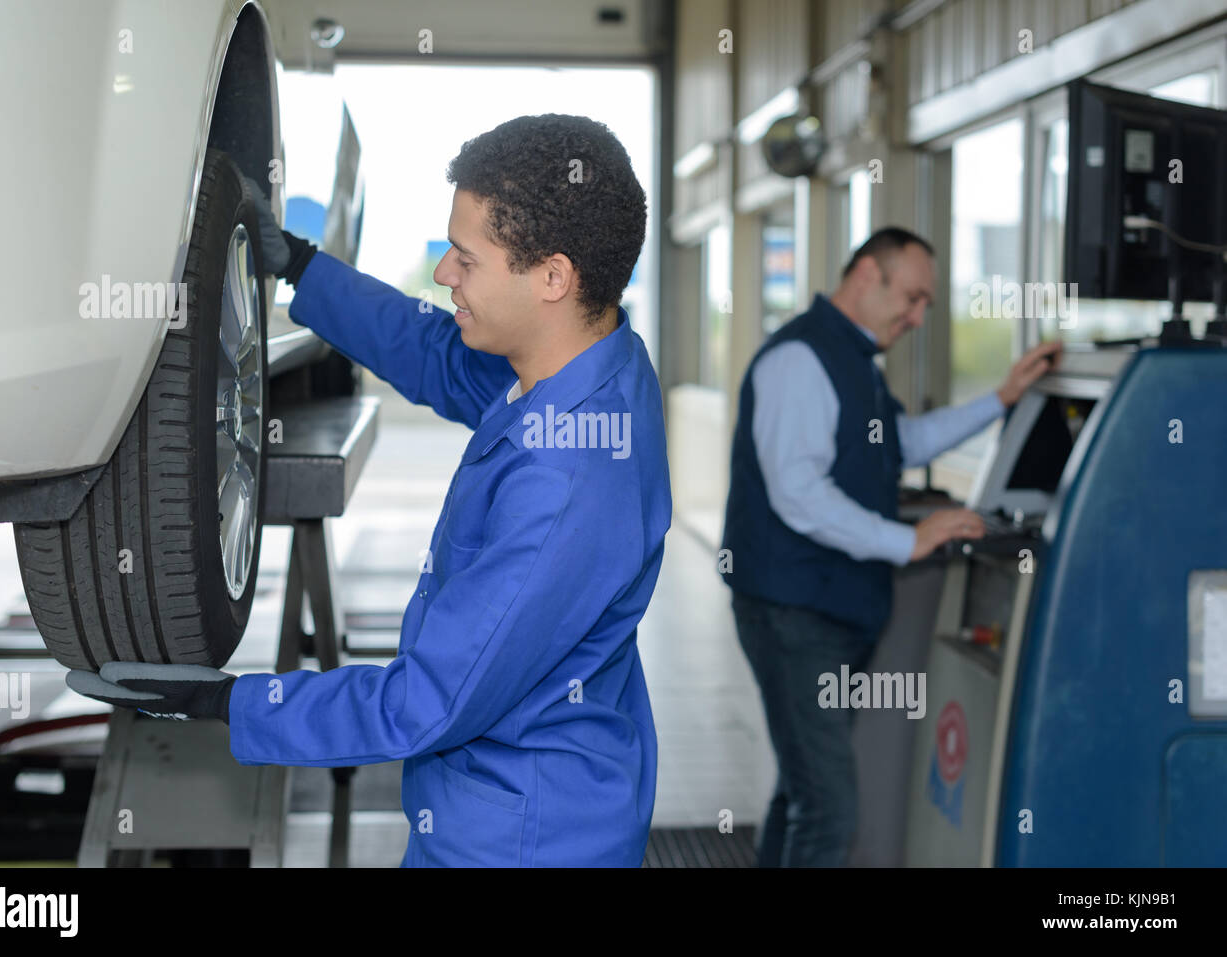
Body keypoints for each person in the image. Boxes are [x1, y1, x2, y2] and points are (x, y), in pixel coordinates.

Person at [68, 114, 671, 867]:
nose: (445, 274)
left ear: (552, 276)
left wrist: (226, 701)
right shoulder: (600, 360)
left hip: (517, 839)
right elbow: (432, 353)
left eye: (465, 258)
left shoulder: (568, 490)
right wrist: (302, 265)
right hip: (537, 789)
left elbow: (426, 701)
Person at [719, 227, 1059, 867]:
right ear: (868, 274)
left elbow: (903, 439)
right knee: (830, 808)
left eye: (927, 304)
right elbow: (798, 493)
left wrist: (1001, 399)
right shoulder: (800, 360)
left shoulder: (851, 360)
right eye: (913, 297)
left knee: (804, 790)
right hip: (794, 613)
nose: (918, 317)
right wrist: (909, 539)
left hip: (827, 612)